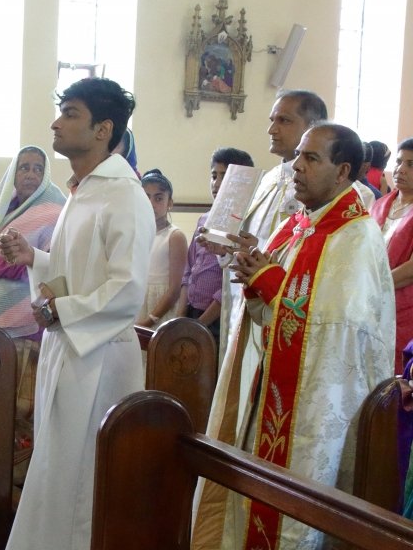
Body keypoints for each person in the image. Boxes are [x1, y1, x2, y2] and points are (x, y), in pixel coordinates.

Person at [196, 123, 395, 549]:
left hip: (316, 406)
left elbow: (340, 331)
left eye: (311, 159)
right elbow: (274, 305)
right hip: (270, 390)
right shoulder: (298, 223)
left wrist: (268, 282)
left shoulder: (357, 236)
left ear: (343, 172)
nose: (297, 168)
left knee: (295, 517)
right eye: (299, 156)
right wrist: (256, 269)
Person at [0, 77, 154, 548]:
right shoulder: (84, 191)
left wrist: (60, 309)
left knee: (83, 479)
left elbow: (127, 290)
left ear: (104, 129)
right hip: (68, 346)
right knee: (56, 470)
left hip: (100, 356)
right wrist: (35, 259)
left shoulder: (124, 195)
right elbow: (79, 270)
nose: (56, 123)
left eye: (70, 114)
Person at [0, 145, 65, 477]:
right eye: (24, 167)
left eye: (38, 168)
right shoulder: (0, 206)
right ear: (13, 173)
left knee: (20, 403)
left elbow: (53, 261)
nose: (31, 174)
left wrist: (3, 266)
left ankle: (17, 477)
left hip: (25, 318)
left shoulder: (54, 209)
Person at [177, 149, 254, 351]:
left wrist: (201, 323)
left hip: (218, 316)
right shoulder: (204, 219)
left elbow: (229, 284)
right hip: (193, 310)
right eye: (214, 175)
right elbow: (189, 270)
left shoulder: (244, 225)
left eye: (225, 176)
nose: (217, 183)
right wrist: (181, 315)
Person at [370, 137, 413, 373]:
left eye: (411, 164)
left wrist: (374, 285)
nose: (401, 170)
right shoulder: (381, 203)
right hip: (370, 305)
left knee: (396, 382)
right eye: (398, 162)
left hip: (404, 310)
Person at [136, 169, 187, 328]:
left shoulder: (175, 236)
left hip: (161, 311)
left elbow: (175, 289)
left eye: (158, 198)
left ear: (169, 203)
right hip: (137, 304)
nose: (151, 204)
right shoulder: (135, 233)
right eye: (146, 197)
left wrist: (150, 319)